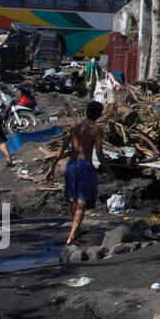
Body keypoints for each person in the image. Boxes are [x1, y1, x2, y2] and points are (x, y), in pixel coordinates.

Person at [45, 100, 107, 246]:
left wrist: (51, 167)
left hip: (71, 165)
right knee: (81, 201)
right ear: (99, 115)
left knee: (75, 199)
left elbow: (61, 148)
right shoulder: (96, 129)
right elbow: (99, 152)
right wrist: (108, 169)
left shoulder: (74, 128)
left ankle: (76, 229)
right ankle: (72, 235)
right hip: (85, 166)